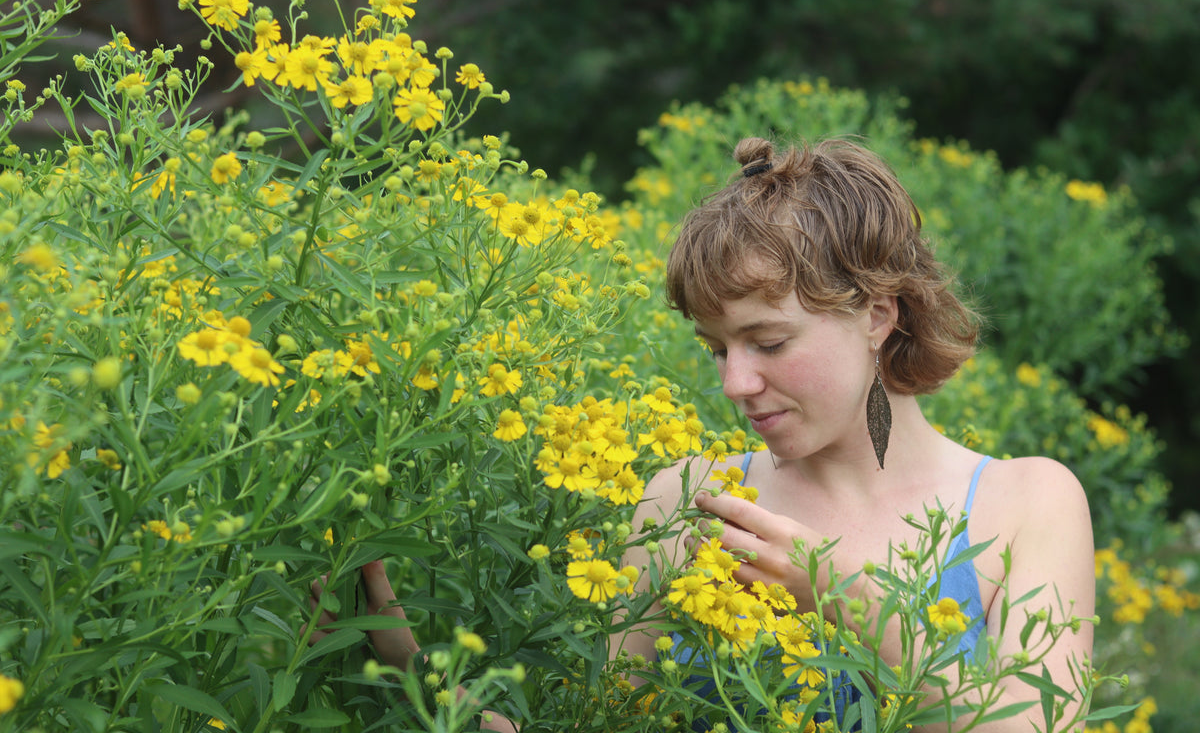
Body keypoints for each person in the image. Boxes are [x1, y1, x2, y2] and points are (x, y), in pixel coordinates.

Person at [310, 136, 1096, 732]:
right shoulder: (687, 499)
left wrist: (840, 595)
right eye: (718, 349)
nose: (734, 384)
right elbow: (605, 723)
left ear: (877, 316)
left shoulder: (1030, 502)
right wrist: (406, 661)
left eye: (769, 342)